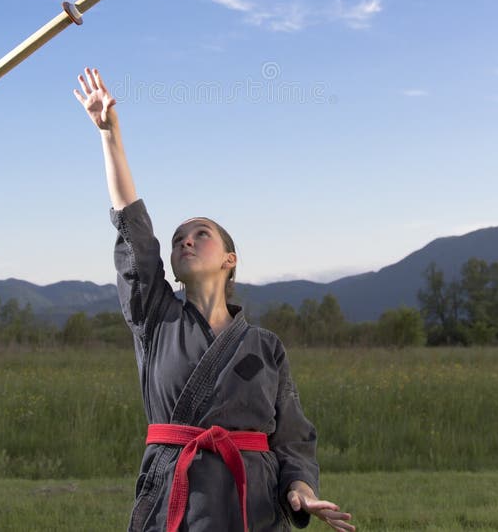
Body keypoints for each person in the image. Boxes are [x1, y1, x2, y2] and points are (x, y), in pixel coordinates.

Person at [74, 66, 355, 532]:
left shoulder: (266, 347)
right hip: (175, 504)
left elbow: (291, 440)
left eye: (200, 234)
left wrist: (301, 491)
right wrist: (110, 134)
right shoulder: (155, 320)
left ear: (230, 259)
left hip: (251, 509)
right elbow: (135, 232)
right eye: (178, 237)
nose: (184, 241)